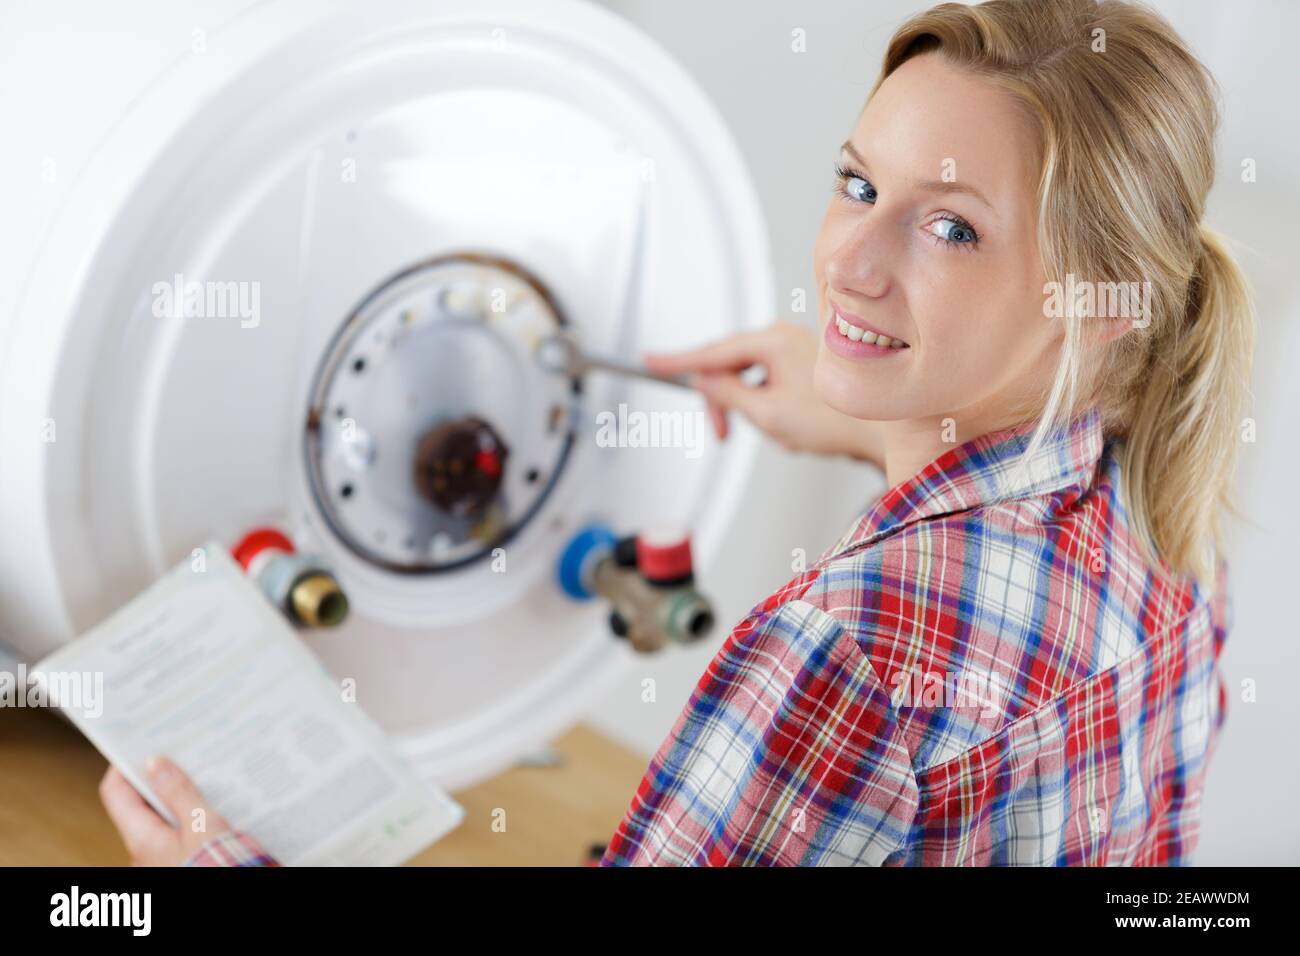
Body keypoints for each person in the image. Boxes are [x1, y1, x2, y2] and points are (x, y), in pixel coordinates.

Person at [101, 0, 1252, 866]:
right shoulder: (1168, 518)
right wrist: (864, 423)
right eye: (857, 186)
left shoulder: (846, 647)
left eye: (949, 227)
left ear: (1101, 304)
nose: (849, 265)